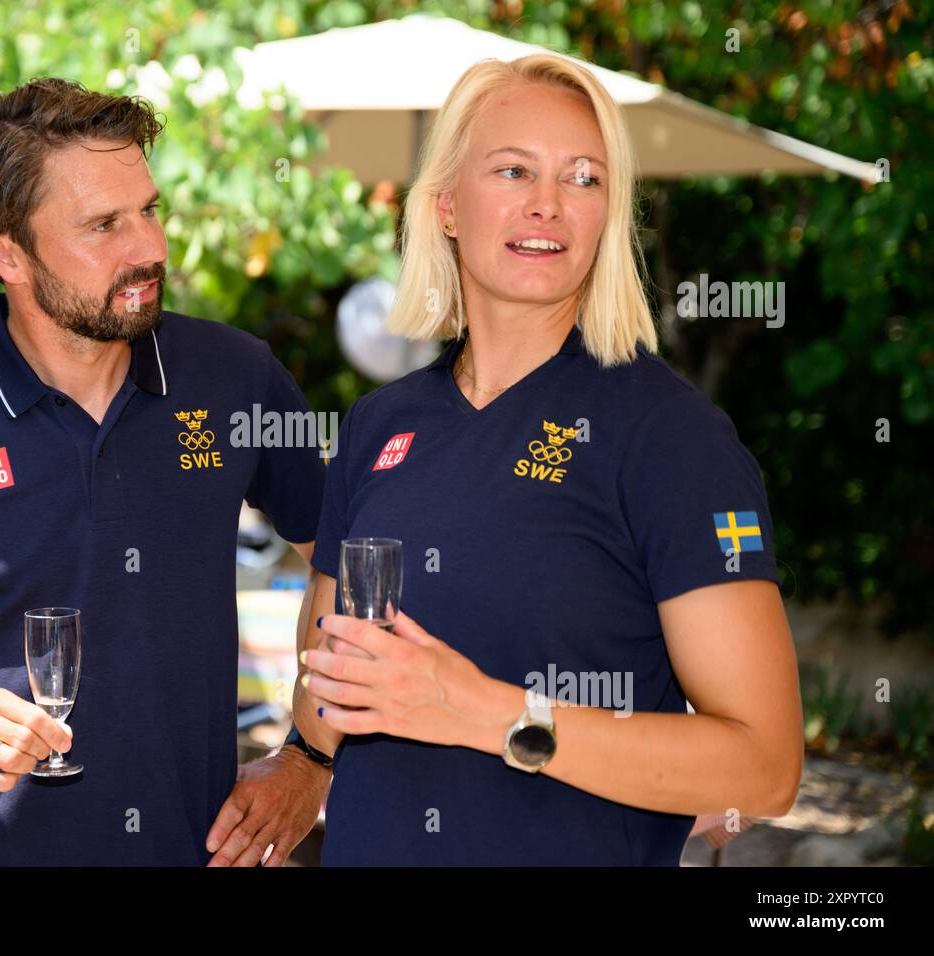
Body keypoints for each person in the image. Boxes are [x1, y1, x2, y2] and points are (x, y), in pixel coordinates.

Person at [0, 78, 332, 866]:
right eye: (104, 225)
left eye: (149, 209)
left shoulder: (235, 377)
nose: (147, 247)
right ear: (3, 252)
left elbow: (348, 564)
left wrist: (308, 761)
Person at [293, 55, 803, 865]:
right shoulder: (376, 425)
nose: (548, 203)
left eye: (584, 178)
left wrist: (488, 712)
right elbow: (322, 696)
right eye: (513, 169)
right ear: (448, 206)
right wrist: (301, 750)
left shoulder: (670, 436)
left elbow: (766, 769)